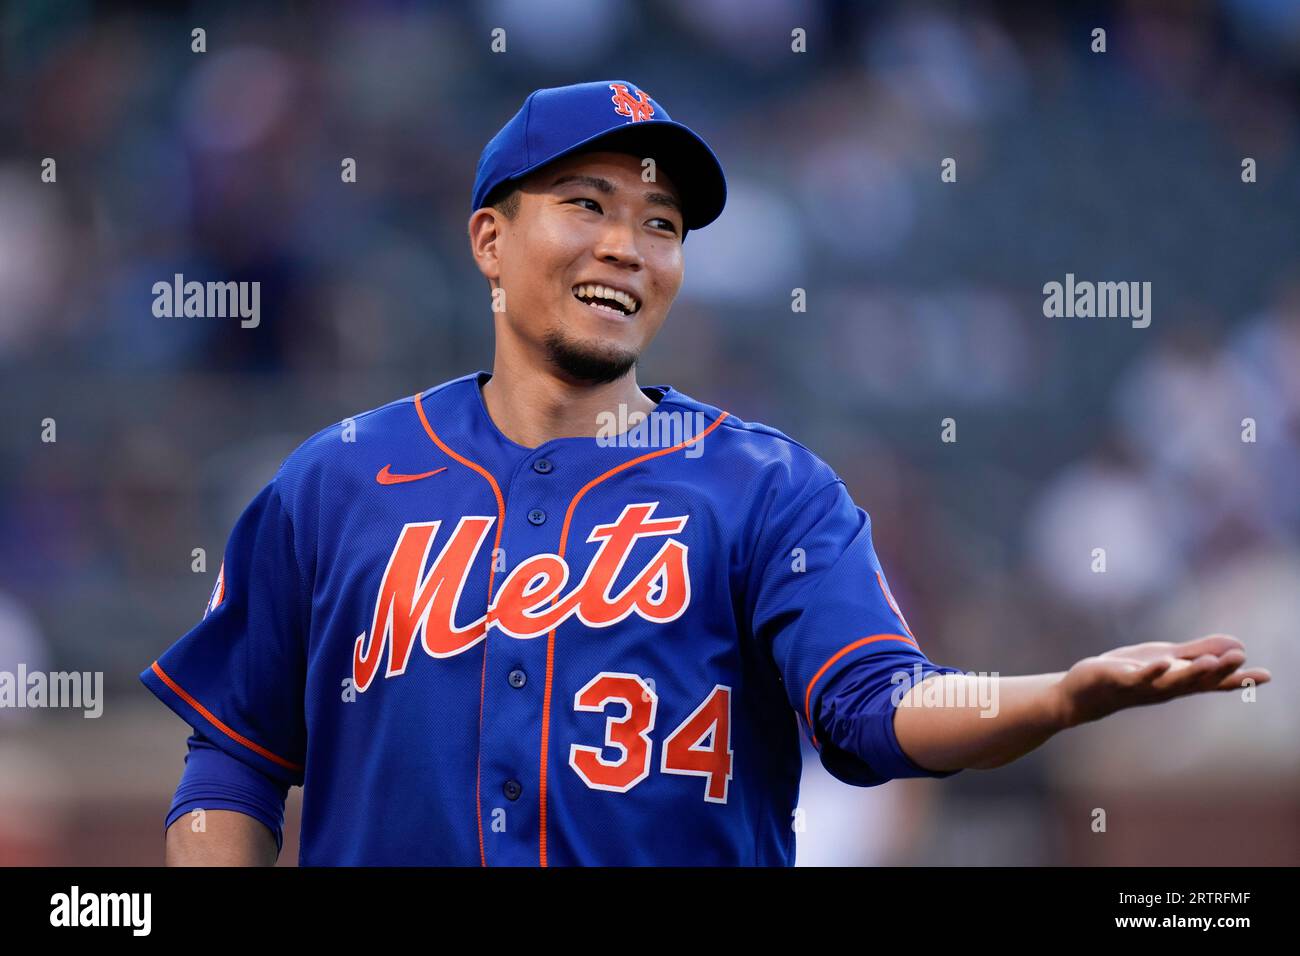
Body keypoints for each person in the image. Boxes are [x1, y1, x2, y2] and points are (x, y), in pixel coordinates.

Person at [142, 80, 1271, 866]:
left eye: (662, 221)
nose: (628, 245)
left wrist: (1054, 696)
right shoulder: (333, 482)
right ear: (489, 239)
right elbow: (234, 763)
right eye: (587, 204)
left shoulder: (769, 488)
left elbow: (878, 708)